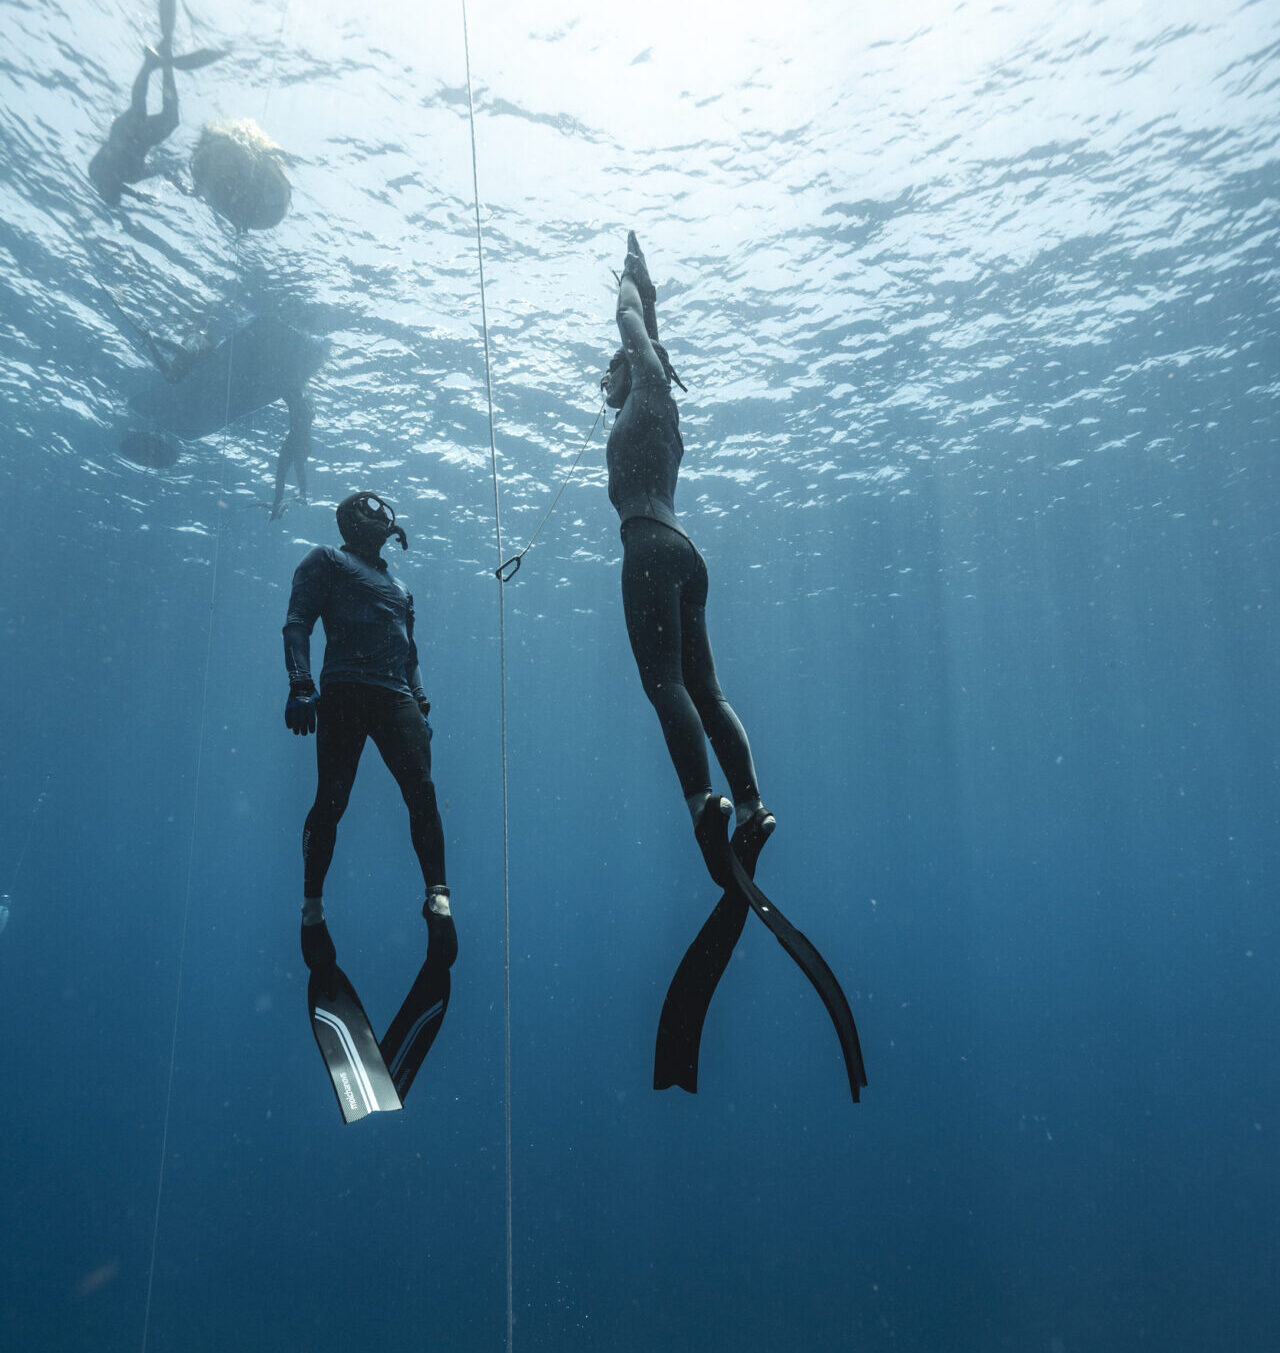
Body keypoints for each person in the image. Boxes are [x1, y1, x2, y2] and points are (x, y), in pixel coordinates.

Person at [603, 231, 774, 883]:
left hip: (646, 543)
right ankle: (752, 804)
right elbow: (647, 340)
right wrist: (647, 308)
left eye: (611, 366)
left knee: (664, 681)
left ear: (637, 361)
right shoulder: (661, 411)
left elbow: (630, 325)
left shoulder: (645, 381)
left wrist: (631, 282)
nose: (604, 377)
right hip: (684, 552)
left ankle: (706, 801)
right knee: (706, 687)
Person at [281, 493, 454, 979]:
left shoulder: (401, 589)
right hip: (344, 692)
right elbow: (298, 624)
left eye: (382, 510)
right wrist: (300, 683)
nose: (381, 515)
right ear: (350, 521)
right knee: (332, 800)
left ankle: (438, 899)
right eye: (369, 508)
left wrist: (420, 699)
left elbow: (409, 649)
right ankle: (312, 907)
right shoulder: (326, 560)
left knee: (423, 794)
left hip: (396, 698)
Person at [88, 0, 222, 207]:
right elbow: (163, 171)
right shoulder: (120, 175)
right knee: (164, 118)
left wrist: (136, 194)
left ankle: (152, 64)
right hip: (134, 135)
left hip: (127, 134)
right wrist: (142, 194)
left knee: (140, 113)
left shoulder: (104, 171)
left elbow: (157, 171)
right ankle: (161, 64)